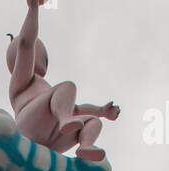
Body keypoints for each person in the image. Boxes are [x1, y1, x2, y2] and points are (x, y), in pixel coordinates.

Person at [7, 0, 119, 160]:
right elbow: (26, 43)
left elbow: (77, 109)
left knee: (93, 122)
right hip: (27, 126)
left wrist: (100, 112)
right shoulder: (22, 78)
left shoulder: (52, 94)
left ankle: (85, 145)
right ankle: (64, 120)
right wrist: (33, 8)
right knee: (68, 87)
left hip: (52, 136)